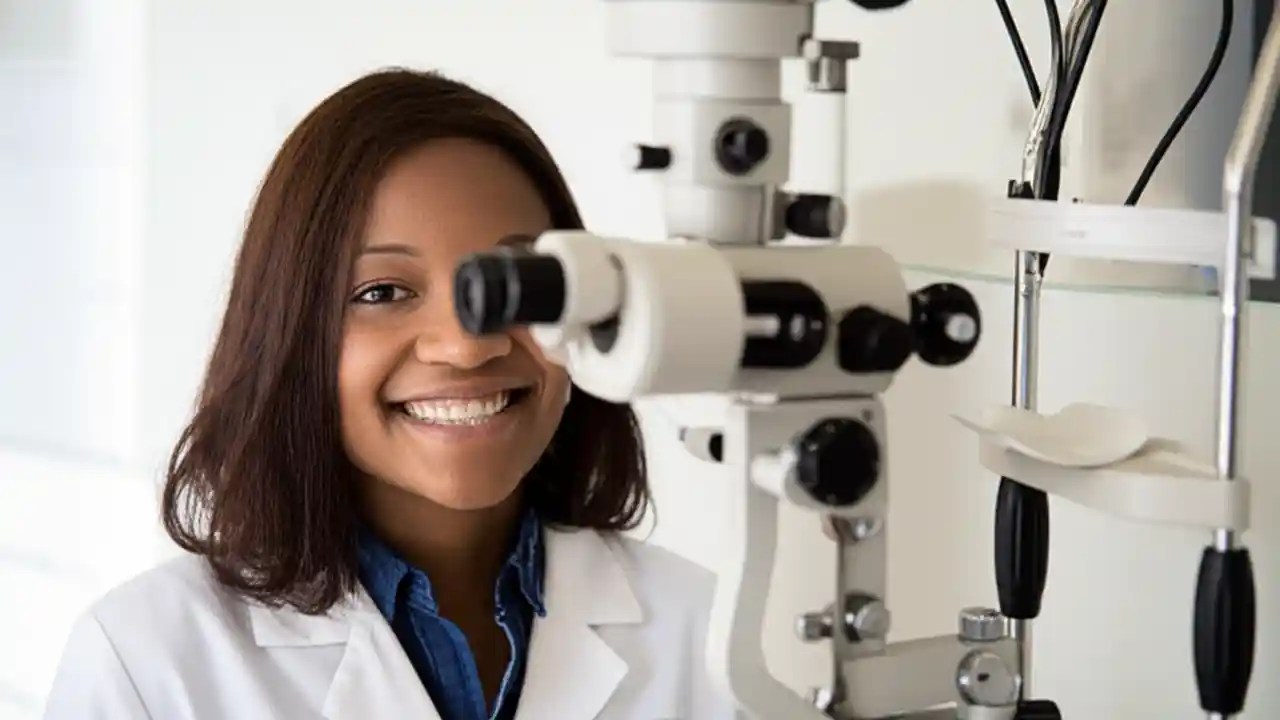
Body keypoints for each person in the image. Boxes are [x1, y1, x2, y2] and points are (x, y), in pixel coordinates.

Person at [42, 68, 735, 720]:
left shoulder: (718, 640)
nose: (467, 344)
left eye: (517, 283)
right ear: (290, 332)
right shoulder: (148, 663)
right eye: (383, 293)